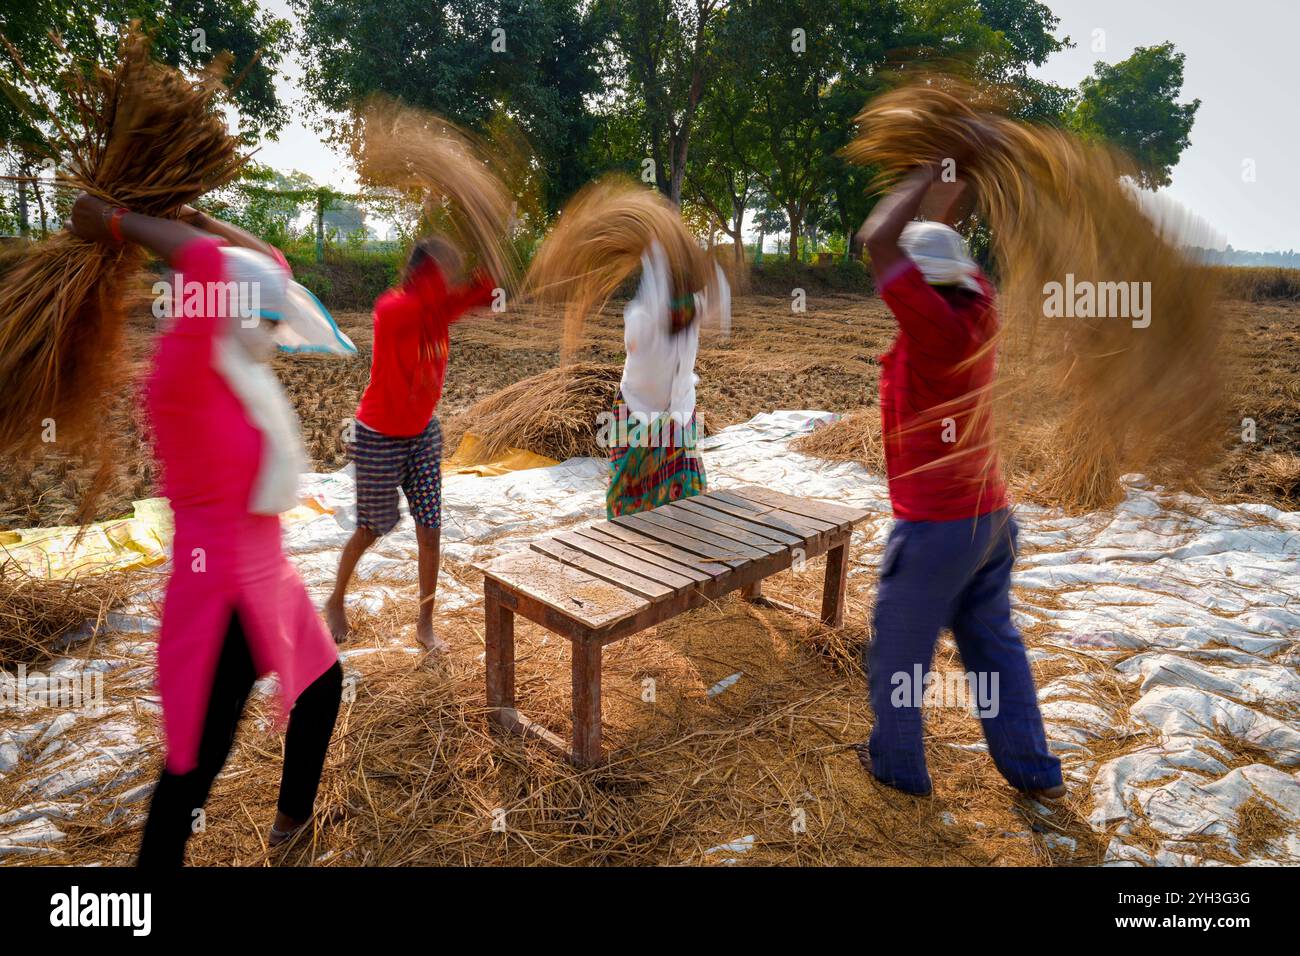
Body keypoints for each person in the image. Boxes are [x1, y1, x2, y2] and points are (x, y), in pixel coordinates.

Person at [66, 193, 345, 865]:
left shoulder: (237, 359)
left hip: (266, 575)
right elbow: (205, 266)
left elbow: (266, 265)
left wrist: (204, 220)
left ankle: (289, 825)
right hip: (218, 590)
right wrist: (110, 221)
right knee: (196, 765)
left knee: (322, 686)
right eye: (263, 316)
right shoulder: (187, 368)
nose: (272, 330)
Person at [852, 161, 1064, 800]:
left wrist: (918, 169)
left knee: (897, 655)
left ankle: (897, 768)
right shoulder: (978, 305)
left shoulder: (936, 330)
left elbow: (878, 241)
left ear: (922, 287)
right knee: (994, 647)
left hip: (938, 531)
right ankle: (1034, 773)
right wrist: (957, 167)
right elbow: (933, 242)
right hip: (990, 521)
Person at [325, 236, 494, 649]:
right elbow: (435, 305)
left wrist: (488, 272)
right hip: (379, 436)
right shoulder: (394, 307)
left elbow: (485, 296)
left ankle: (424, 623)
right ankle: (335, 601)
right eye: (443, 271)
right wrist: (466, 290)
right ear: (423, 274)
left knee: (430, 529)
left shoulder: (436, 310)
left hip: (422, 436)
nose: (449, 279)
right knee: (371, 529)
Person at [604, 241, 728, 518]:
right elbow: (635, 338)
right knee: (630, 496)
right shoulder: (640, 316)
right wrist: (658, 255)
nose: (683, 319)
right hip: (638, 410)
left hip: (680, 411)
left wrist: (706, 264)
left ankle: (683, 537)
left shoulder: (692, 310)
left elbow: (717, 296)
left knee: (686, 497)